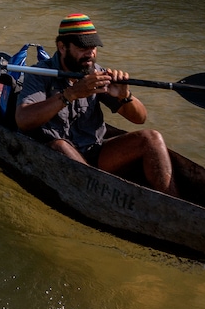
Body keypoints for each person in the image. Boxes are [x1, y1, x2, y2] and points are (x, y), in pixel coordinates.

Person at [14, 14, 177, 195]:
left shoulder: (96, 74)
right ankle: (95, 196)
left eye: (93, 47)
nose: (90, 53)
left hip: (95, 153)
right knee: (60, 146)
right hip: (55, 156)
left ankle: (173, 202)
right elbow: (23, 120)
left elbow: (140, 119)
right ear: (62, 47)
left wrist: (124, 95)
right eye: (83, 47)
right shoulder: (39, 74)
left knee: (151, 138)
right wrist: (71, 94)